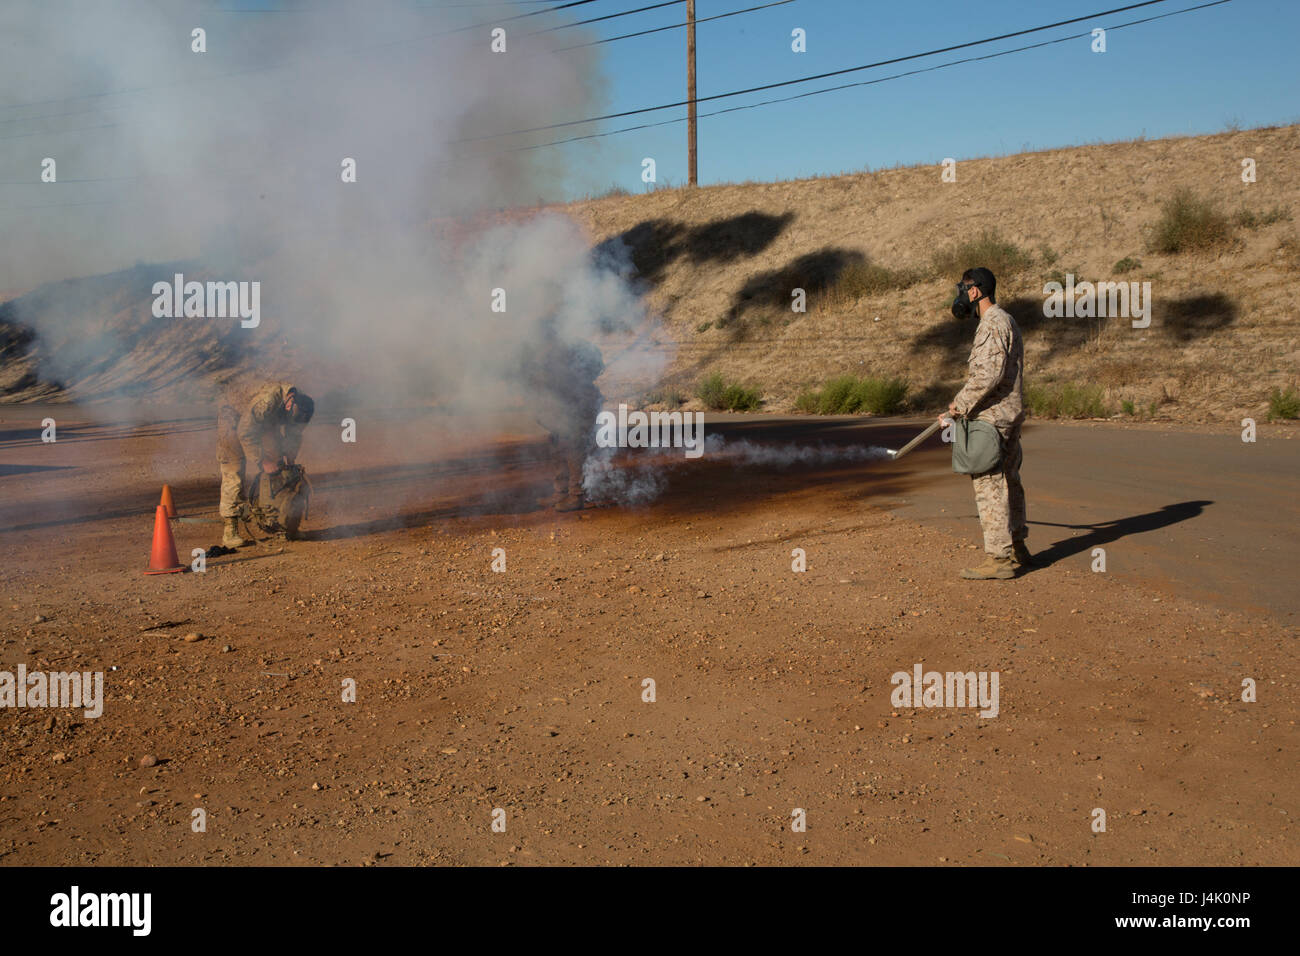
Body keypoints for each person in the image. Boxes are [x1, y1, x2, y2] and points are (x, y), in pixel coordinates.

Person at [940, 267, 1032, 579]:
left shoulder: (993, 323)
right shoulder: (1007, 320)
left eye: (964, 288)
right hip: (1007, 414)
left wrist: (959, 405)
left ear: (976, 291)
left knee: (989, 484)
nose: (961, 295)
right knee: (1009, 478)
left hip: (992, 418)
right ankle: (1018, 545)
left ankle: (999, 559)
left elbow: (987, 375)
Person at [216, 381, 314, 547]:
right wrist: (262, 461)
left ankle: (281, 524)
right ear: (289, 403)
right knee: (234, 468)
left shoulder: (303, 405)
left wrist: (290, 456)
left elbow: (294, 433)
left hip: (264, 422)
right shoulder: (267, 401)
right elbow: (245, 432)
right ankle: (230, 527)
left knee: (279, 465)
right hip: (234, 418)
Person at [520, 327, 603, 512]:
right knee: (558, 446)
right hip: (564, 406)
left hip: (581, 403)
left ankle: (576, 496)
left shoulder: (577, 348)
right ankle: (561, 492)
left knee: (573, 449)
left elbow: (597, 368)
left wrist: (575, 384)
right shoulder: (546, 354)